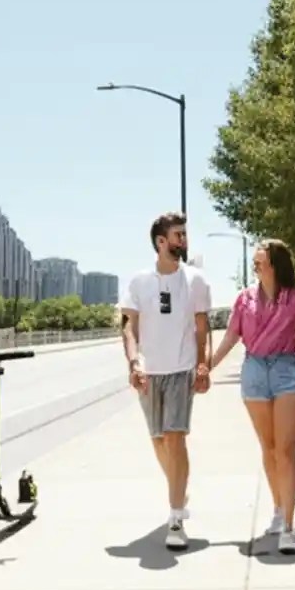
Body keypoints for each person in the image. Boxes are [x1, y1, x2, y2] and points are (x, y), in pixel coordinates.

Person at [209, 238, 295, 555]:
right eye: (254, 262)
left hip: (286, 371)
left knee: (286, 449)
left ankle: (289, 528)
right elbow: (231, 337)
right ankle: (278, 510)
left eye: (259, 261)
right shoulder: (244, 300)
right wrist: (206, 368)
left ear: (275, 264)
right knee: (268, 448)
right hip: (254, 372)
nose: (254, 266)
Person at [120, 211, 212, 550]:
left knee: (175, 439)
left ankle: (176, 516)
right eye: (177, 235)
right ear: (161, 242)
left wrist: (202, 366)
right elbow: (129, 326)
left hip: (181, 368)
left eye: (185, 234)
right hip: (149, 372)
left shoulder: (196, 281)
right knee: (159, 441)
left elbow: (202, 326)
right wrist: (133, 362)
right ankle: (179, 484)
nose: (183, 240)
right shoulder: (139, 281)